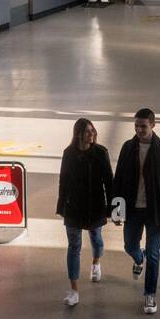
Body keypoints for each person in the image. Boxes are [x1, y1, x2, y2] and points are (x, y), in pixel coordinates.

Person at [112, 108, 160, 314]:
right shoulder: (128, 148)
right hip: (132, 209)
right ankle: (139, 259)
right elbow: (119, 179)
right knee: (129, 245)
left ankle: (150, 295)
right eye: (136, 126)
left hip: (155, 211)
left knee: (154, 254)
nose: (139, 130)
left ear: (153, 125)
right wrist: (116, 209)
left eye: (143, 126)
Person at [56, 118, 113, 308]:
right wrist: (61, 206)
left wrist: (111, 208)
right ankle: (74, 290)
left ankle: (96, 262)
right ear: (78, 134)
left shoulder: (100, 153)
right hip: (73, 207)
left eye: (93, 131)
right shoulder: (68, 154)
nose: (92, 134)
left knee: (96, 238)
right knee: (74, 246)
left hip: (95, 206)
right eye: (88, 131)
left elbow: (109, 182)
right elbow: (63, 181)